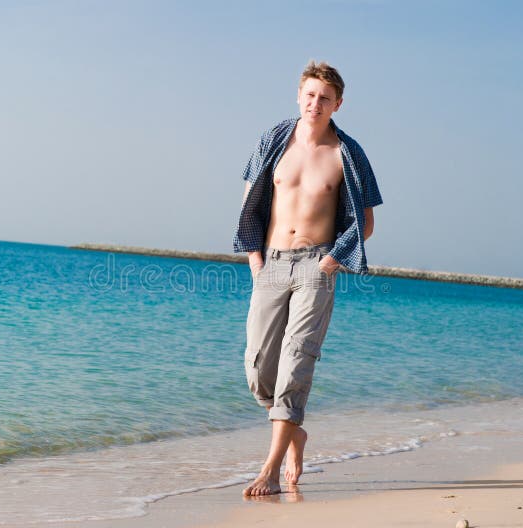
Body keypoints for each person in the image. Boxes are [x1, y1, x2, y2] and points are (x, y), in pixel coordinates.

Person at [232, 60, 383, 497]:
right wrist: (256, 258)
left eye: (326, 98)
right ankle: (294, 432)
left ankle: (271, 468)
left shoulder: (348, 154)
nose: (316, 103)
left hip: (318, 266)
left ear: (339, 104)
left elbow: (365, 222)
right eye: (310, 95)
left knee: (296, 363)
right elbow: (250, 201)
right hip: (272, 263)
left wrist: (331, 262)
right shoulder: (274, 140)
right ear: (299, 96)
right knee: (259, 368)